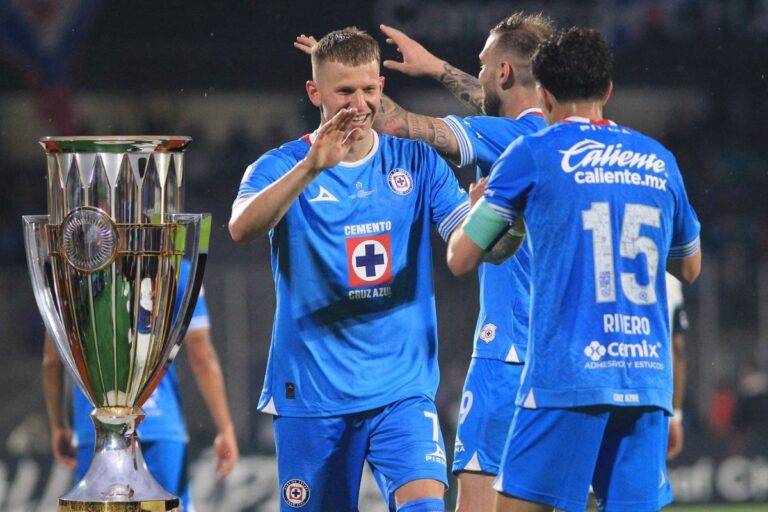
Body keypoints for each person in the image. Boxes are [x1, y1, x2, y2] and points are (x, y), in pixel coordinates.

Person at [295, 15, 552, 511]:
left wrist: (337, 82)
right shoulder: (557, 137)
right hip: (565, 354)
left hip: (510, 349)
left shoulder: (508, 140)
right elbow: (505, 111)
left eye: (481, 67)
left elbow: (391, 123)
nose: (474, 76)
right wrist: (437, 68)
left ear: (502, 73)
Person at [446, 27, 701, 512]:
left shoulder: (532, 154)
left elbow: (461, 256)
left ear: (542, 93)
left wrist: (486, 212)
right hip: (646, 379)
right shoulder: (658, 160)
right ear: (607, 89)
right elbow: (689, 267)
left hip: (568, 376)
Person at [229, 27, 471, 512]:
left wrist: (491, 217)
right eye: (344, 91)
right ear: (315, 93)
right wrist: (311, 168)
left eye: (368, 89)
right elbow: (241, 228)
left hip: (401, 391)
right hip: (312, 397)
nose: (358, 103)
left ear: (381, 86)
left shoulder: (417, 161)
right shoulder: (281, 165)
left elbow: (463, 237)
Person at [42, 260, 239, 511]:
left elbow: (51, 360)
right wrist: (225, 428)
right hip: (160, 424)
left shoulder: (76, 269)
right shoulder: (178, 268)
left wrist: (58, 424)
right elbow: (202, 355)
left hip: (95, 431)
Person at [666, 273, 689, 459]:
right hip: (653, 394)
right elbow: (678, 349)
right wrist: (675, 416)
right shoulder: (670, 278)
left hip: (596, 386)